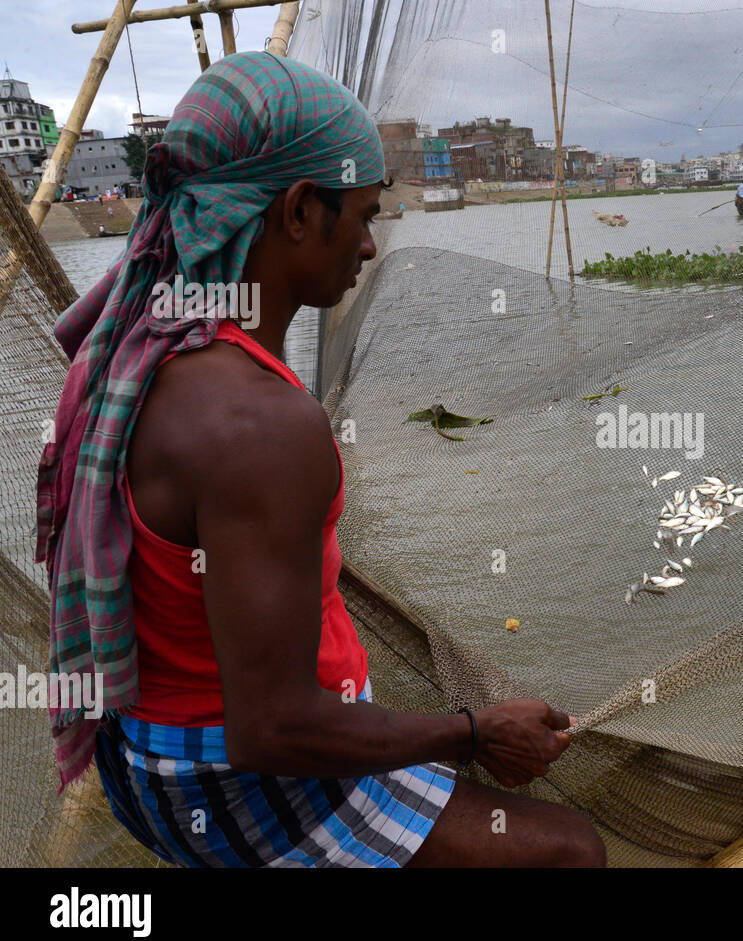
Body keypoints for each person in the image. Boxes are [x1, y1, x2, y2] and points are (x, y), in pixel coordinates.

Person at [36, 51, 604, 869]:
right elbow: (274, 727)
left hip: (140, 757)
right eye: (364, 216)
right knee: (568, 850)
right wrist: (476, 732)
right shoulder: (261, 427)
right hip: (230, 785)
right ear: (300, 210)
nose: (370, 247)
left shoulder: (139, 350)